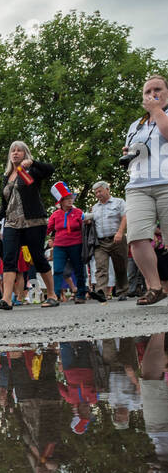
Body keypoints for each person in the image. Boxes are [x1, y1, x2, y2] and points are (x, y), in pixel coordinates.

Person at [0, 141, 57, 310]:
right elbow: (6, 204)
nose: (15, 153)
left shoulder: (32, 170)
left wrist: (33, 162)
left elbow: (50, 169)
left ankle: (51, 295)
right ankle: (6, 299)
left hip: (33, 221)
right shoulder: (7, 176)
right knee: (9, 258)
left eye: (19, 150)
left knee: (37, 256)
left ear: (25, 154)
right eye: (13, 150)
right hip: (12, 223)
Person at [121, 75, 168, 305]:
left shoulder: (165, 115)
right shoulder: (135, 125)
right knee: (137, 237)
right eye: (147, 92)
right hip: (138, 185)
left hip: (166, 181)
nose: (152, 94)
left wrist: (157, 110)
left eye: (157, 89)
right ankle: (154, 287)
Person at [82, 180, 127, 301]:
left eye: (100, 191)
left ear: (107, 189)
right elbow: (91, 220)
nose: (98, 194)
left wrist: (120, 232)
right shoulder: (95, 207)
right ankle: (100, 292)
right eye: (96, 192)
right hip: (100, 242)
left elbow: (125, 217)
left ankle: (122, 291)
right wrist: (88, 222)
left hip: (117, 238)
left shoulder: (119, 202)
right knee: (100, 267)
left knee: (120, 266)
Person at [46, 183, 87, 304]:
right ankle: (55, 295)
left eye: (71, 198)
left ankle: (81, 294)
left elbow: (84, 227)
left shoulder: (78, 212)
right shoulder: (55, 214)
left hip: (76, 244)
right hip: (59, 245)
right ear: (61, 201)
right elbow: (48, 229)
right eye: (67, 199)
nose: (70, 201)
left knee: (79, 270)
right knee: (58, 270)